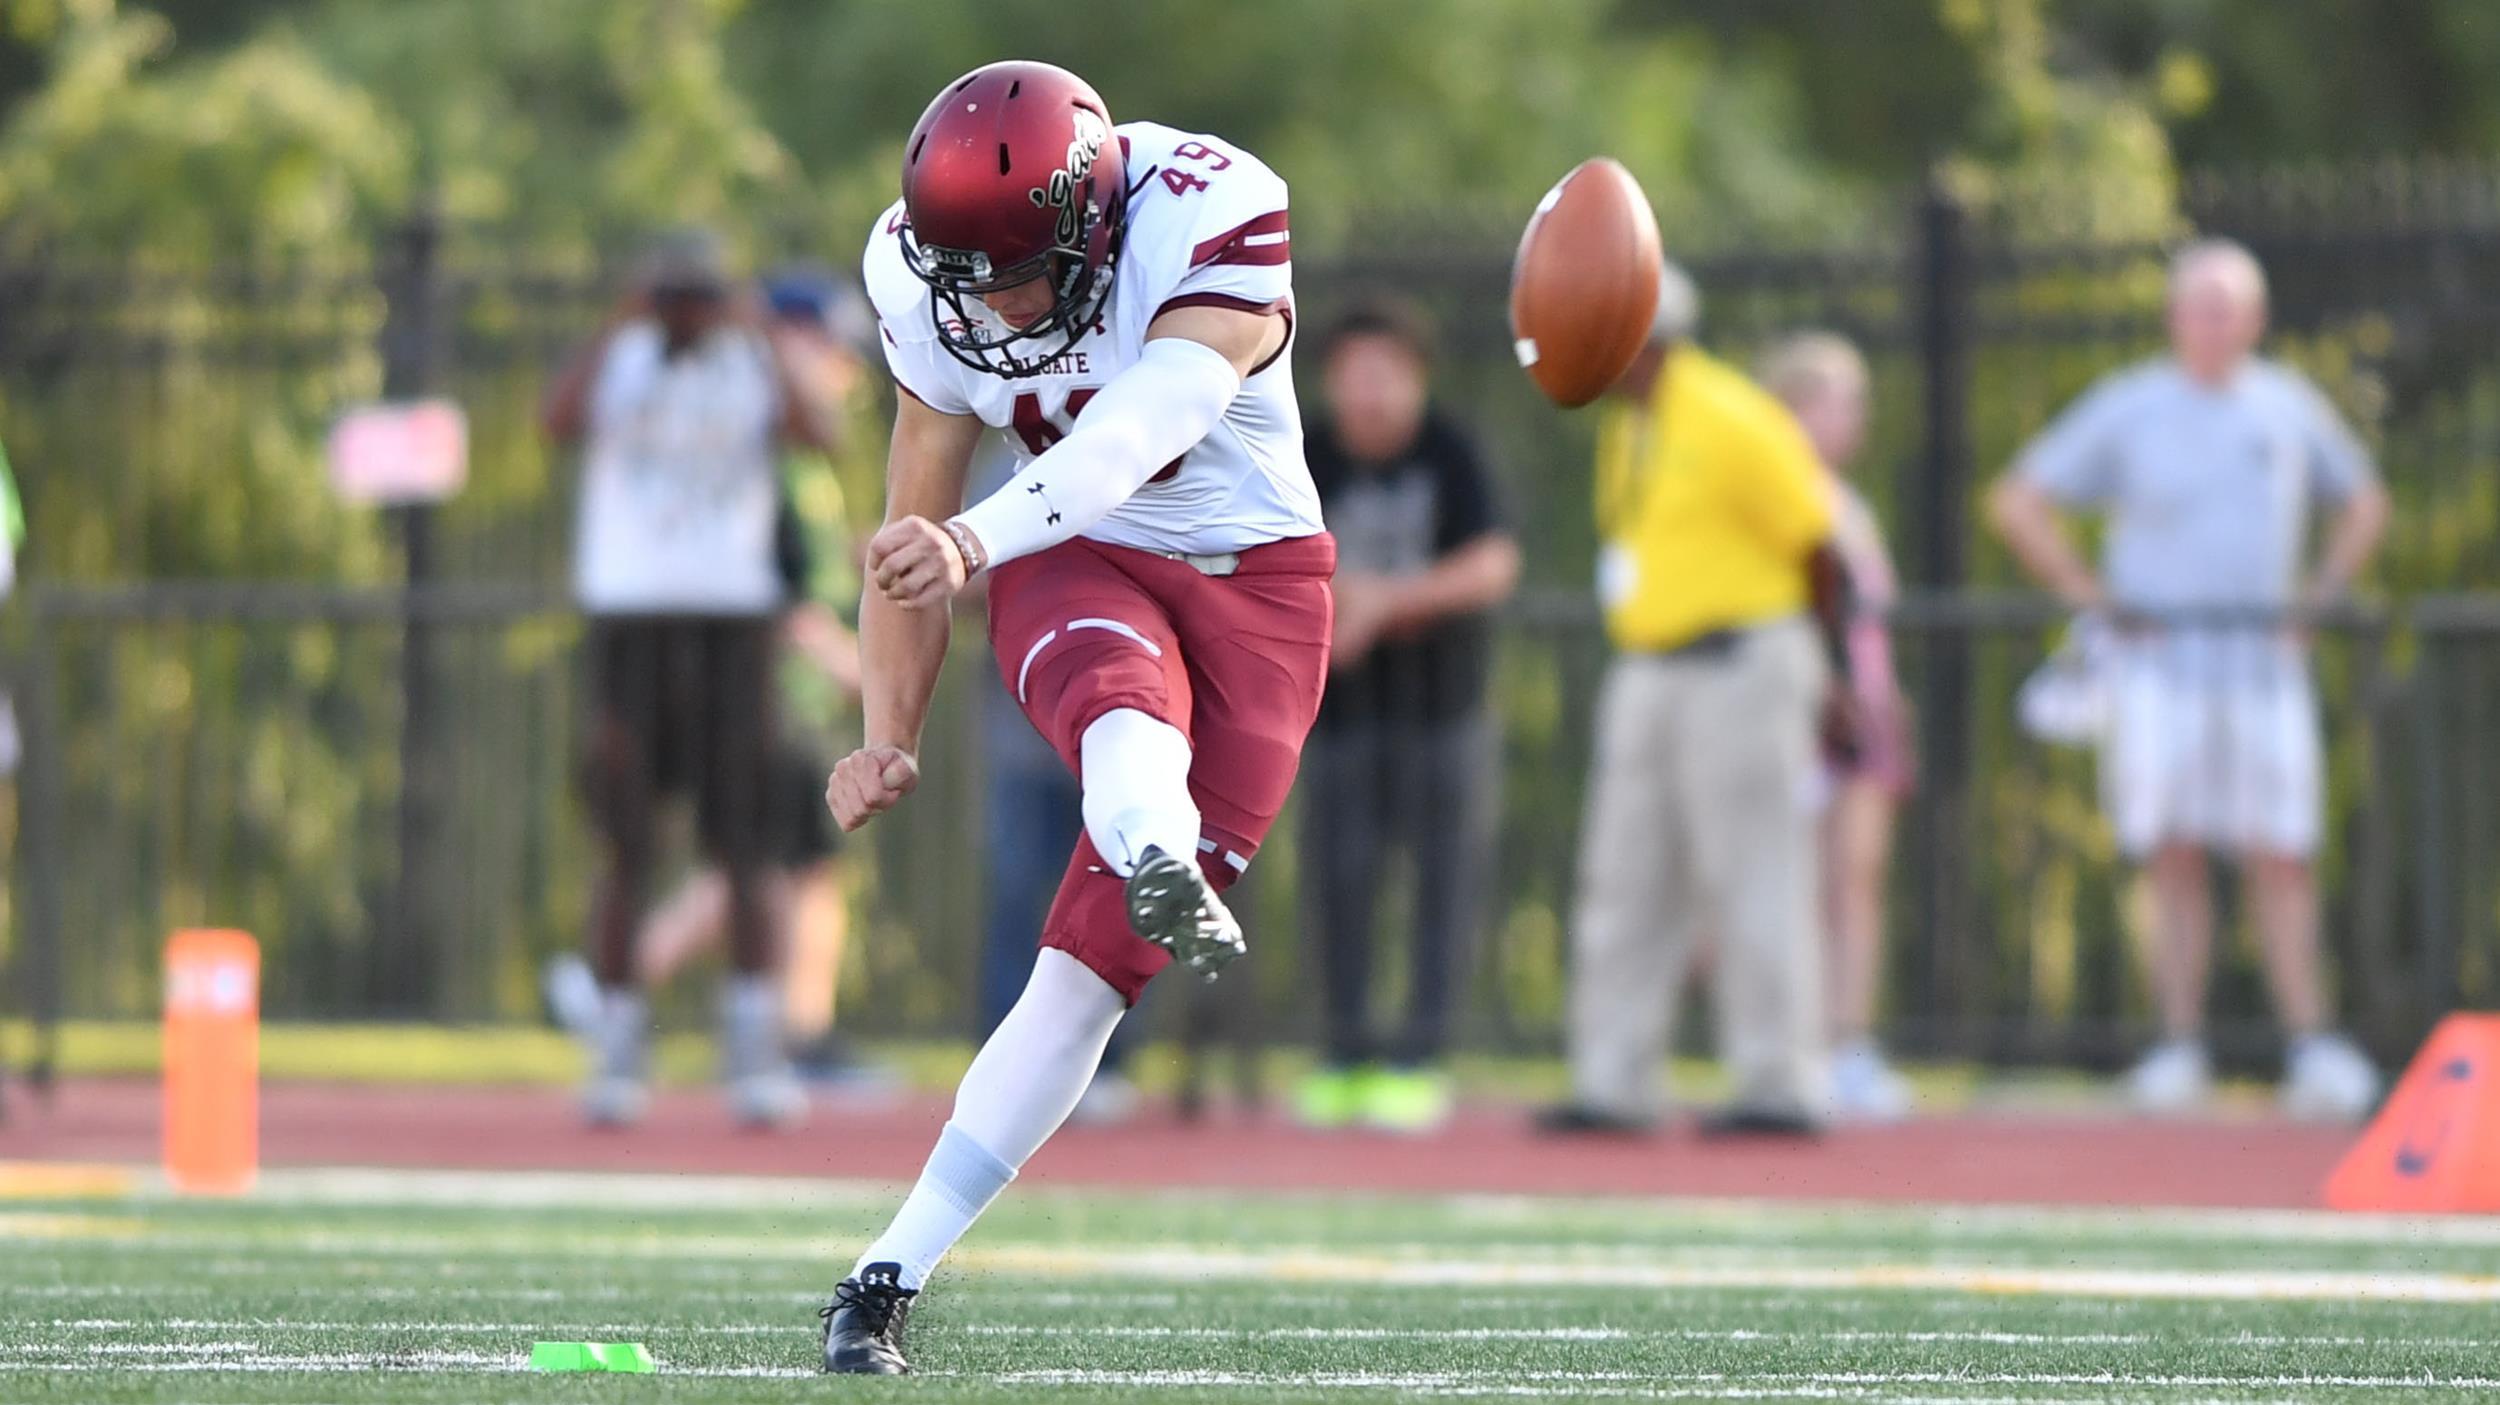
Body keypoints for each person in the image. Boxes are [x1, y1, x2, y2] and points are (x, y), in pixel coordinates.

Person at [816, 62, 1331, 1374]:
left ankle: (1147, 855)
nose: (991, 306)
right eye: (966, 277)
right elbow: (910, 513)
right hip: (1071, 549)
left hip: (1255, 584)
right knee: (1113, 692)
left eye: (1017, 269)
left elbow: (1133, 436)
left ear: (1097, 219)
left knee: (1094, 973)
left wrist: (972, 540)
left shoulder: (1213, 206)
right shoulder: (921, 270)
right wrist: (891, 728)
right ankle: (883, 1277)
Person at [1987, 238, 2391, 1122]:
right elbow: (2017, 497)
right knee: (2170, 854)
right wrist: (2090, 595)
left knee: (2281, 853)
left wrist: (2314, 600)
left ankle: (2310, 1043)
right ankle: (2177, 1045)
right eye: (2201, 305)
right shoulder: (2130, 406)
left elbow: (2364, 499)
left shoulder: (2288, 408)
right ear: (2177, 316)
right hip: (2158, 672)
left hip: (2260, 671)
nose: (2216, 322)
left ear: (2256, 317)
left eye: (2231, 305)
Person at [1536, 264, 1856, 1141]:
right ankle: (1613, 1078)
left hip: (1743, 659)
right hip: (1649, 663)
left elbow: (1822, 550)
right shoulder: (1625, 421)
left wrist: (1838, 680)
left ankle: (1780, 1080)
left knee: (1753, 871)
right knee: (1623, 877)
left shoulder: (1733, 415)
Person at [542, 227, 836, 1130]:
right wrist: (618, 323)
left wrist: (760, 333)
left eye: (700, 297)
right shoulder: (621, 359)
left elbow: (819, 432)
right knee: (626, 837)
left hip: (731, 620)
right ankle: (621, 1045)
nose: (688, 315)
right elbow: (555, 422)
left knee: (746, 844)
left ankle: (754, 1050)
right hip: (631, 616)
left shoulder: (752, 359)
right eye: (676, 297)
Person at [1295, 298, 1518, 1134]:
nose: (1371, 391)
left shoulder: (1452, 450)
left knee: (1442, 883)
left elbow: (1493, 561)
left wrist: (1383, 604)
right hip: (1339, 715)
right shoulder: (1305, 451)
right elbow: (1269, 553)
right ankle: (1344, 1053)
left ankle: (1420, 1057)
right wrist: (1345, 603)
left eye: (1387, 372)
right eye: (1355, 372)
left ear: (1418, 378)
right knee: (1341, 878)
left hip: (1443, 710)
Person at [1759, 332, 1916, 1123]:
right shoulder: (1776, 495)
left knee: (1857, 880)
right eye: (1832, 399)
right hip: (1805, 712)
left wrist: (1883, 692)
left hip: (1865, 713)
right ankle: (1800, 1042)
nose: (1849, 416)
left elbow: (1867, 622)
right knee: (1798, 883)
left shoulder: (1853, 504)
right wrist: (1823, 689)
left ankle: (1851, 1042)